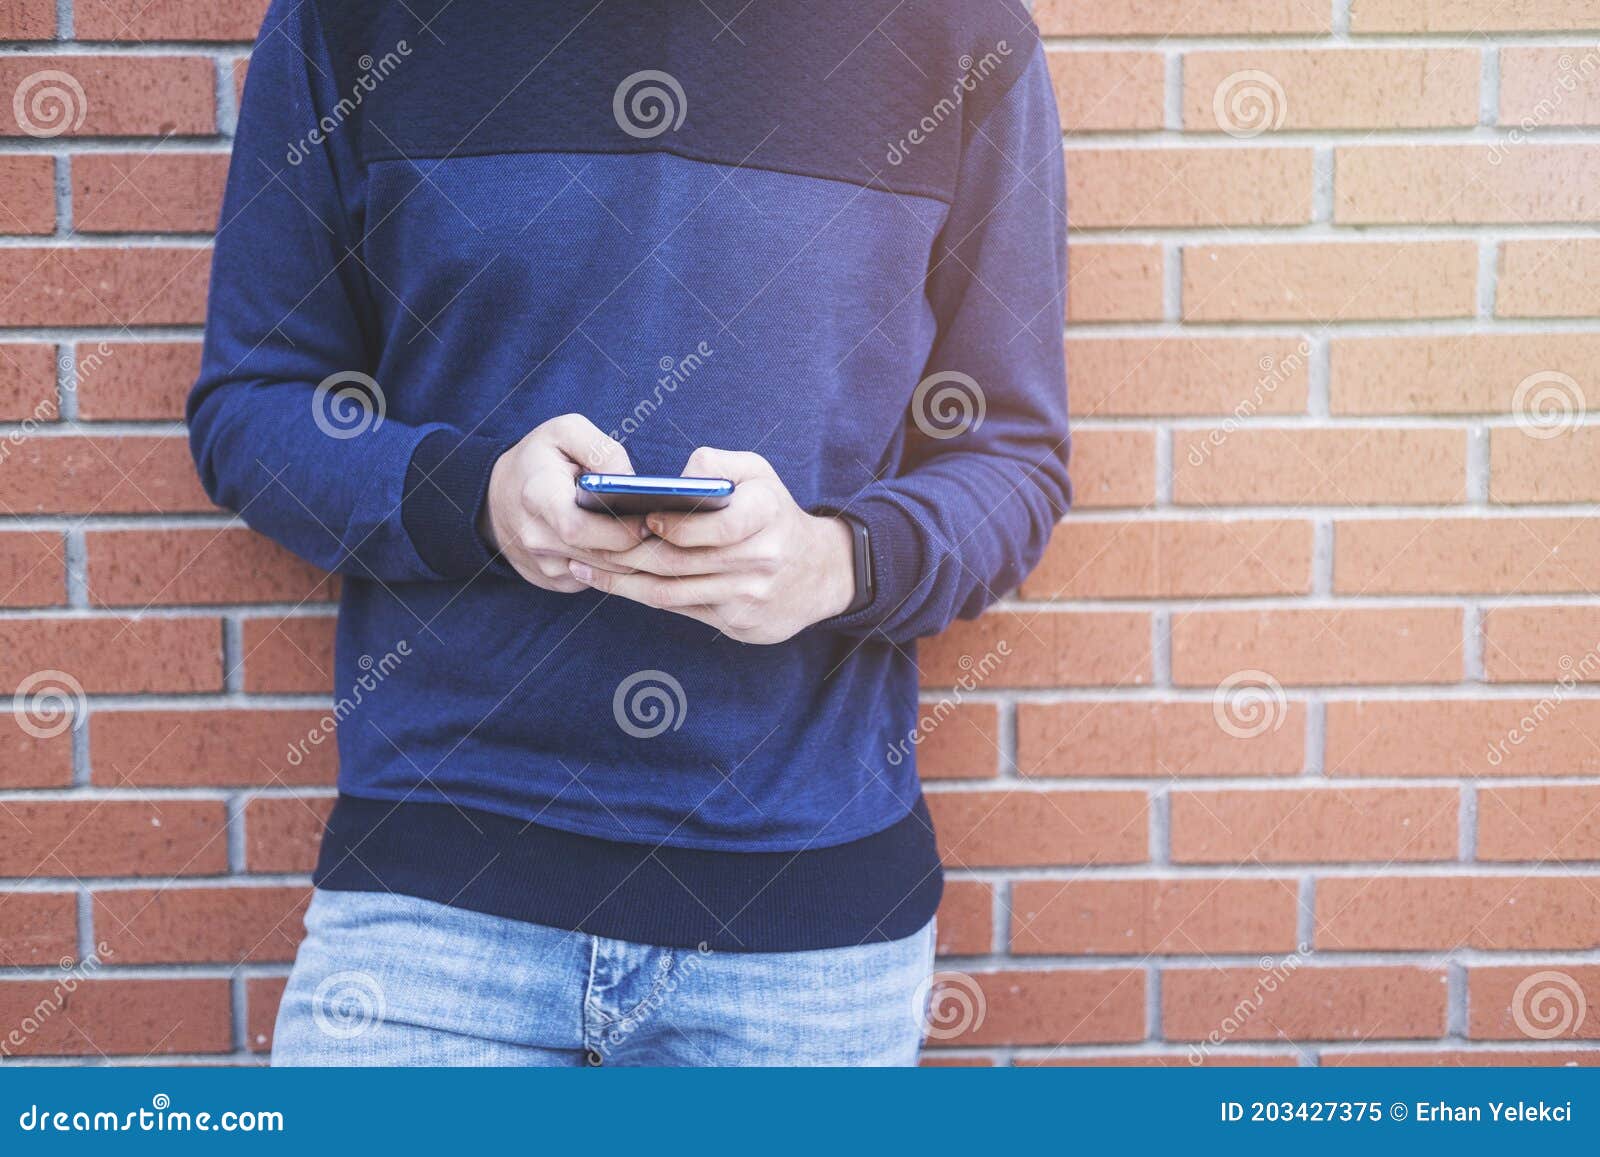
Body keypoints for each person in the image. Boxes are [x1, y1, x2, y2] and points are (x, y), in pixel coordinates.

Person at [189, 0, 1069, 1066]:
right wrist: (474, 496)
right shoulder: (350, 21)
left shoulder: (954, 34)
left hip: (802, 938)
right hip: (436, 907)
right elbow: (253, 404)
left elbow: (1012, 455)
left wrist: (836, 563)